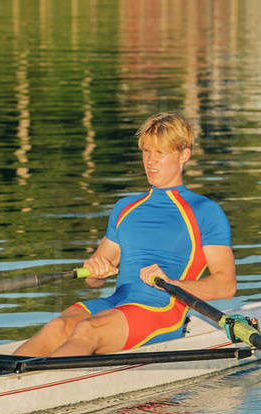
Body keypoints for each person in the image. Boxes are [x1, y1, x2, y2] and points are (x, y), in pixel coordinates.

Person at [14, 112, 236, 357]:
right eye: (146, 151)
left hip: (160, 310)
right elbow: (94, 279)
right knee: (57, 326)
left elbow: (225, 285)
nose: (150, 161)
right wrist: (95, 269)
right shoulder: (125, 208)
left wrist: (172, 284)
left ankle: (36, 385)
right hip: (117, 304)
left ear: (184, 155)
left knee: (88, 329)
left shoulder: (204, 211)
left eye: (160, 153)